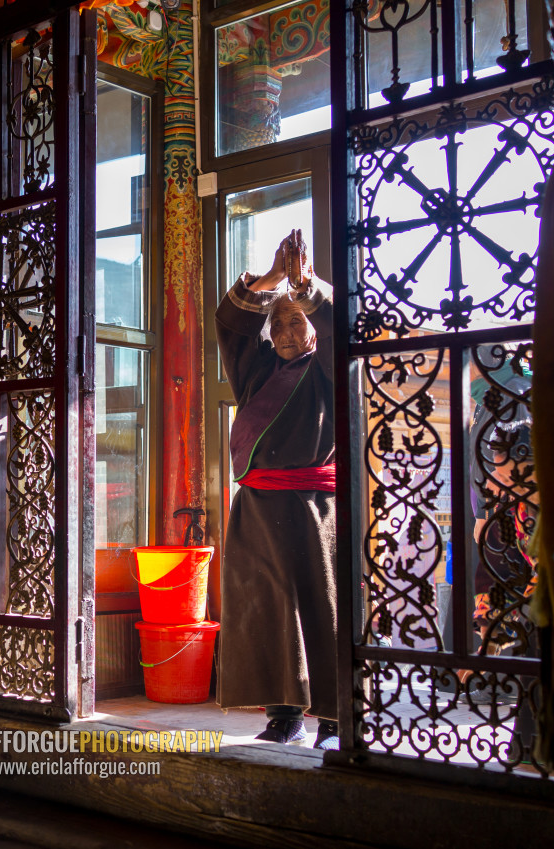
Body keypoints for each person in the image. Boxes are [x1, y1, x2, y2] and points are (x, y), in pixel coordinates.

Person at [215, 229, 338, 749]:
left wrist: (305, 283)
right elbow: (231, 322)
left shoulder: (328, 369)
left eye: (297, 318)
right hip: (257, 511)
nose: (287, 329)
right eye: (279, 321)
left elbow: (340, 323)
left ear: (312, 328)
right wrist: (270, 279)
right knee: (267, 610)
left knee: (321, 607)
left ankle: (335, 719)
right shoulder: (257, 372)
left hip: (312, 510)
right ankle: (284, 714)